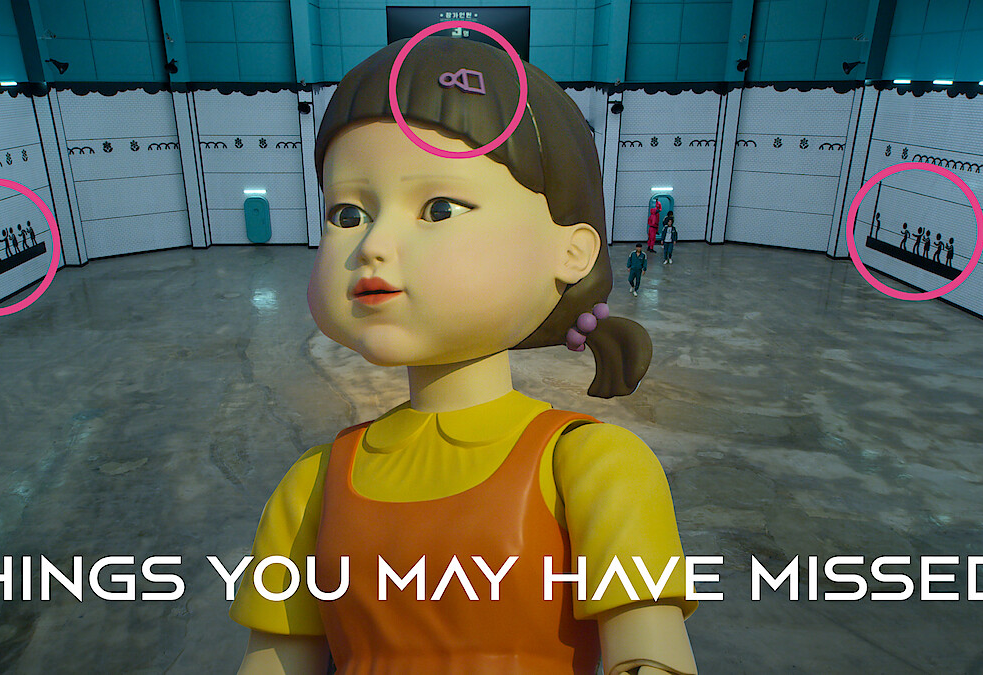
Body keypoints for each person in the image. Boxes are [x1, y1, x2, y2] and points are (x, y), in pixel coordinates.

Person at [230, 36, 696, 675]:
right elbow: (276, 661)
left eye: (439, 208)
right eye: (347, 213)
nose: (372, 245)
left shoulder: (593, 466)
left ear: (572, 251)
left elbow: (649, 655)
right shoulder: (312, 485)